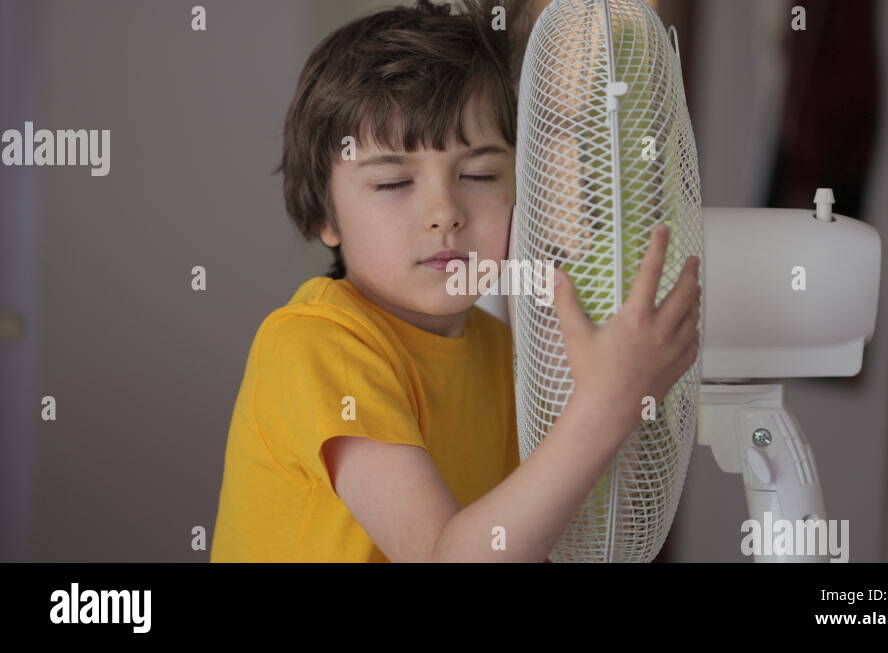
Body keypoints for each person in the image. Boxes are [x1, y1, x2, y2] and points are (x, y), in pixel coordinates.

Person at [210, 0, 701, 562]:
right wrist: (606, 407)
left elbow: (530, 528)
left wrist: (627, 395)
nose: (444, 212)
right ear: (325, 214)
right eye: (394, 182)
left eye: (478, 174)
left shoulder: (503, 356)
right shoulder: (315, 347)